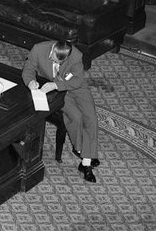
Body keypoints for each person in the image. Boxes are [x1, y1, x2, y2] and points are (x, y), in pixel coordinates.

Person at [22, 41, 100, 183]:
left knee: (91, 118)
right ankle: (86, 160)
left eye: (58, 62)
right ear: (52, 49)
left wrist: (56, 84)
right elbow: (28, 70)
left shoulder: (76, 55)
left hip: (75, 87)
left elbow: (77, 80)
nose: (53, 61)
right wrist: (30, 82)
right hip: (58, 93)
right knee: (76, 116)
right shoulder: (38, 49)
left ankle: (85, 158)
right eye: (53, 58)